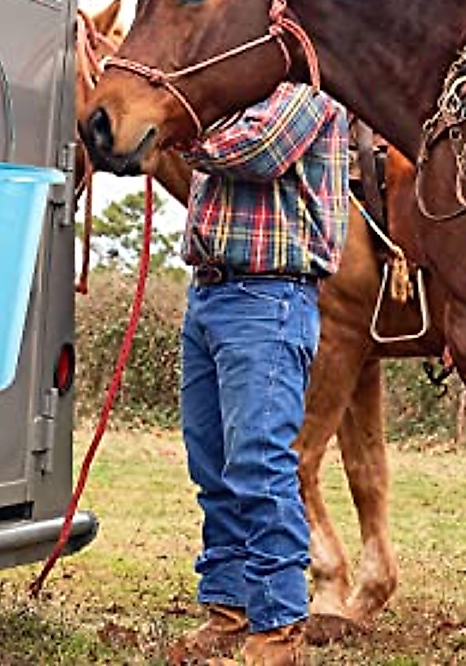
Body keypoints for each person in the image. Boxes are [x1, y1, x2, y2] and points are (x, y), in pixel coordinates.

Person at [168, 81, 350, 666]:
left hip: (267, 297)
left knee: (259, 464)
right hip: (210, 294)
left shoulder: (305, 94)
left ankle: (277, 627)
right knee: (213, 463)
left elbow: (260, 151)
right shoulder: (226, 100)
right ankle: (229, 608)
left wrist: (179, 129)